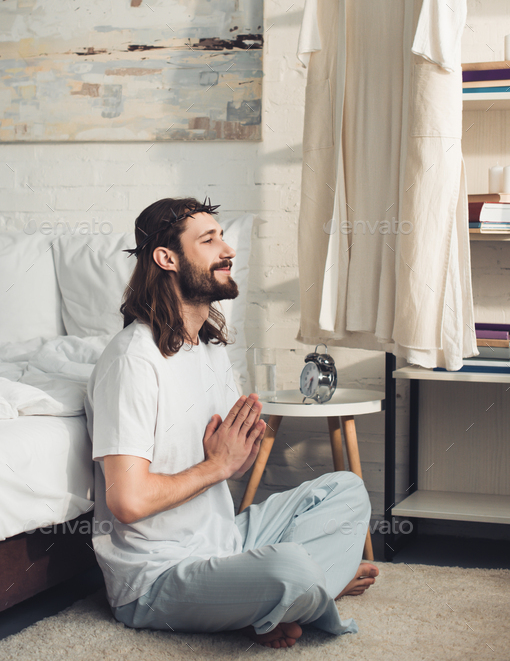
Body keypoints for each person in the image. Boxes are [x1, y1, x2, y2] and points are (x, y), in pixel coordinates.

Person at [84, 196, 378, 650]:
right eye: (208, 239)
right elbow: (127, 500)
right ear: (166, 258)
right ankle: (313, 587)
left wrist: (236, 458)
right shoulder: (132, 360)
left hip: (224, 542)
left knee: (346, 491)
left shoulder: (210, 349)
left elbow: (227, 467)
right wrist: (217, 467)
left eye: (223, 235)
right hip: (157, 577)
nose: (228, 250)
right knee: (291, 568)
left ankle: (284, 597)